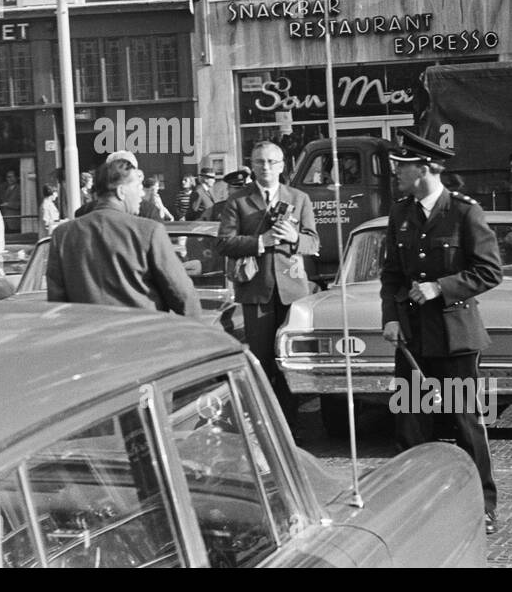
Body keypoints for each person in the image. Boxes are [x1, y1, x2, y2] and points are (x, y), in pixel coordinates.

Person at [379, 130, 502, 535]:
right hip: (412, 338)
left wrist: (440, 287)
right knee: (410, 425)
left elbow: (489, 271)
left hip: (454, 340)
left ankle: (481, 506)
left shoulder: (465, 212)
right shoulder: (400, 213)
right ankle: (412, 507)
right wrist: (391, 318)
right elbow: (392, 275)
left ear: (425, 168)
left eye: (403, 166)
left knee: (466, 424)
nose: (395, 172)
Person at [217, 141, 319, 423]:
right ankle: (266, 424)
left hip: (292, 291)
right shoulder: (238, 200)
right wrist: (261, 241)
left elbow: (314, 242)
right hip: (256, 291)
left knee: (289, 362)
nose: (266, 167)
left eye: (272, 162)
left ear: (282, 165)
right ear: (252, 165)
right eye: (260, 162)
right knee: (261, 362)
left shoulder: (299, 198)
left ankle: (292, 425)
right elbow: (224, 243)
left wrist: (295, 238)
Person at [47, 158, 200, 317]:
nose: (142, 194)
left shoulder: (63, 235)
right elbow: (184, 297)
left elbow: (57, 304)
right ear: (121, 192)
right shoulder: (149, 231)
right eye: (138, 187)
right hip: (143, 335)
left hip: (87, 336)